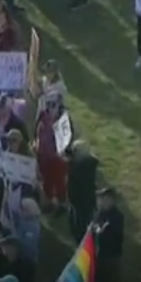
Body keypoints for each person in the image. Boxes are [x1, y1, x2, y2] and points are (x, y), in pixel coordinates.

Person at [35, 63, 70, 211]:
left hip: (56, 141)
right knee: (46, 173)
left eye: (50, 71)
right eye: (46, 71)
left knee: (57, 174)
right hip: (44, 128)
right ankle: (50, 200)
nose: (48, 74)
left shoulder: (60, 88)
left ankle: (61, 202)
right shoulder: (44, 81)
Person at [93, 188, 126, 282]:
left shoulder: (117, 216)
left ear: (112, 200)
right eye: (101, 198)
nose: (102, 201)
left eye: (104, 198)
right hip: (99, 256)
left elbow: (104, 232)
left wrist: (97, 229)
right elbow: (94, 226)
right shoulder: (100, 214)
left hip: (112, 258)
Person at [65, 140, 99, 241]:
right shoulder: (90, 163)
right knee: (85, 217)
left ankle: (81, 238)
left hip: (78, 198)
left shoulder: (76, 165)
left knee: (79, 220)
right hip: (88, 197)